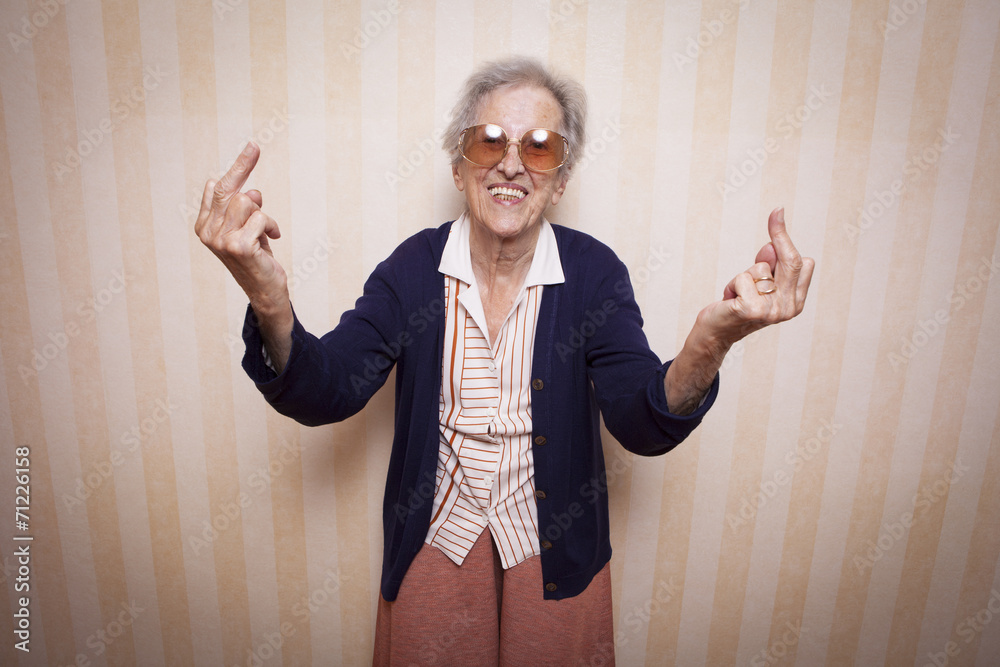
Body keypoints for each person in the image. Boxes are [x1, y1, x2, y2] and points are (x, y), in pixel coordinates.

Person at [195, 56, 814, 666]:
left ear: (561, 178)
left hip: (557, 546)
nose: (512, 163)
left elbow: (640, 422)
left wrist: (711, 340)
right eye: (489, 141)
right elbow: (325, 391)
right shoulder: (412, 269)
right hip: (434, 540)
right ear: (460, 166)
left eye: (541, 147)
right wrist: (269, 300)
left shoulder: (595, 274)